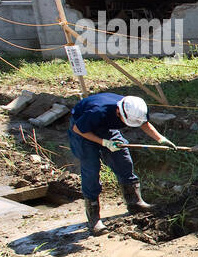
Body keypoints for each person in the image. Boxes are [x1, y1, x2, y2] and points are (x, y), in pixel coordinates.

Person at [69, 93, 172, 235]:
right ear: (118, 112)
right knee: (91, 170)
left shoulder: (134, 107)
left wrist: (161, 139)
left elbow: (143, 123)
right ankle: (94, 218)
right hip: (84, 132)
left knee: (123, 161)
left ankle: (135, 203)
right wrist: (104, 143)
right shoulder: (97, 111)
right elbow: (78, 129)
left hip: (107, 129)